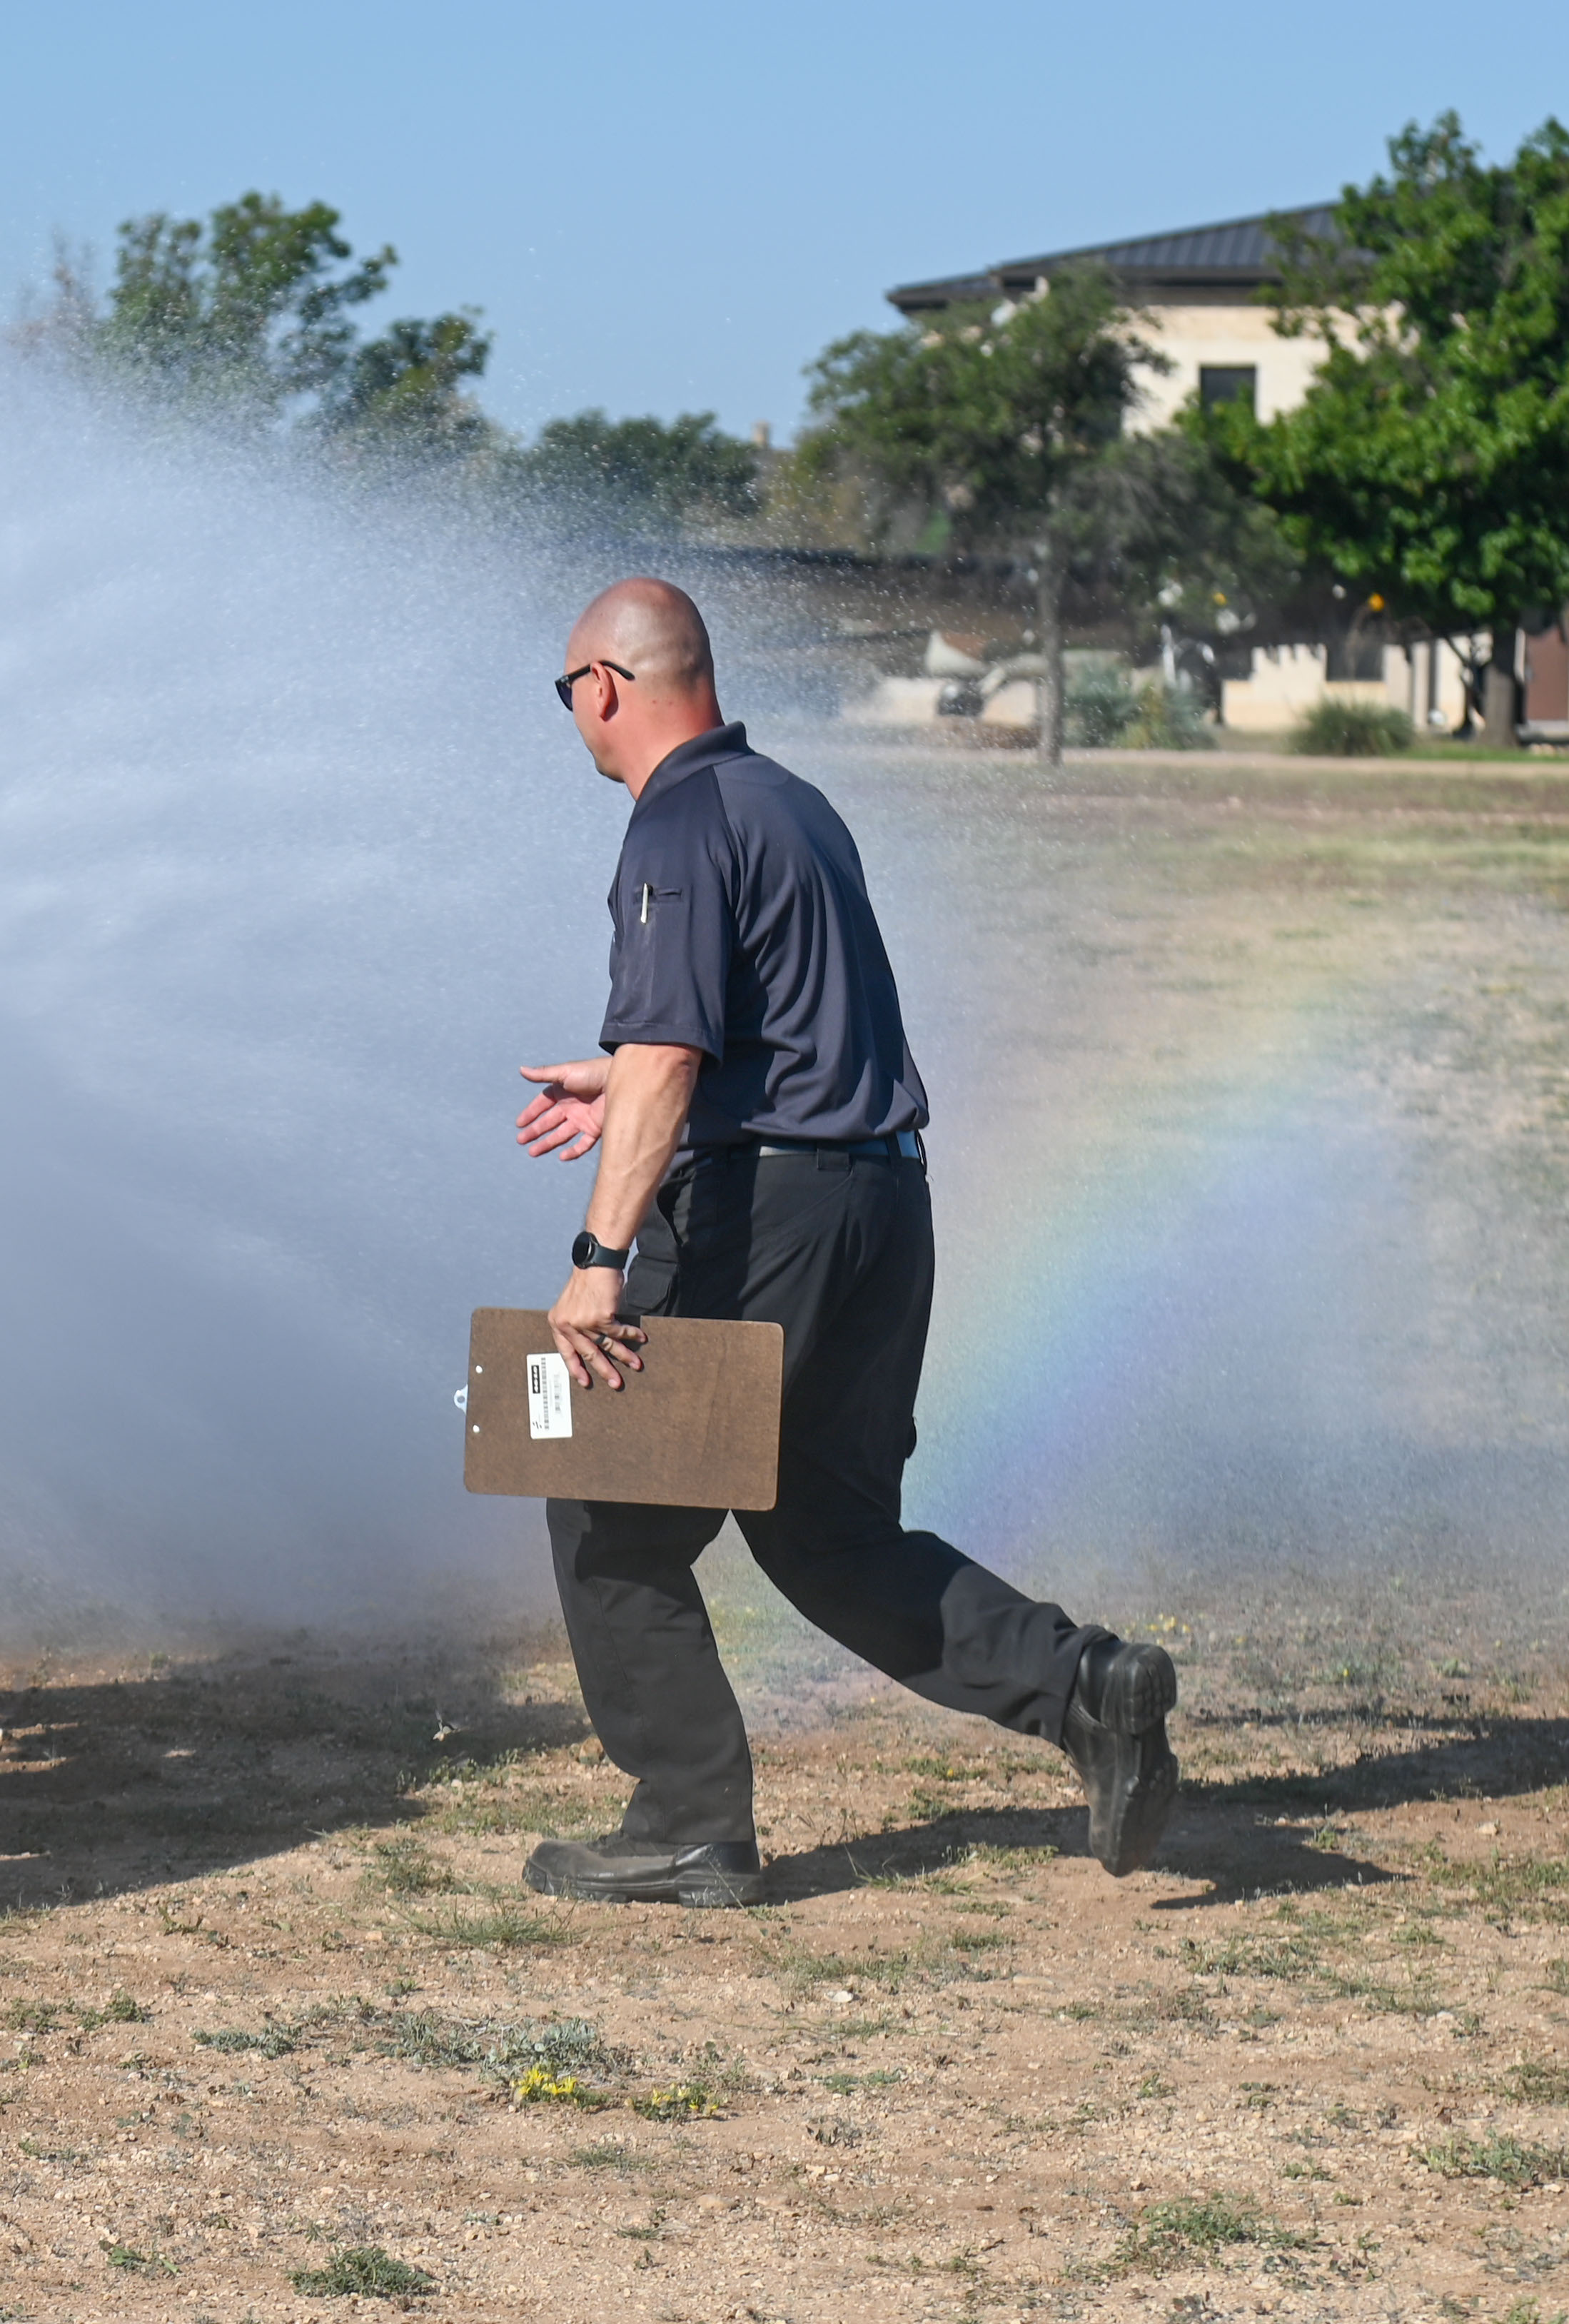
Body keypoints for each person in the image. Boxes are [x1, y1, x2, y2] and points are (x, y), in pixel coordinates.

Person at [508, 577, 1179, 1909]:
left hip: (764, 1219)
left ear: (607, 685)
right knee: (825, 1530)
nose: (572, 713)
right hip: (881, 1203)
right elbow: (772, 1031)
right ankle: (1086, 1686)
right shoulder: (790, 803)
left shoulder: (674, 820)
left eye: (568, 689)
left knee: (603, 1507)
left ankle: (689, 1822)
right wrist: (625, 1080)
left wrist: (598, 1260)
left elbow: (670, 1053)